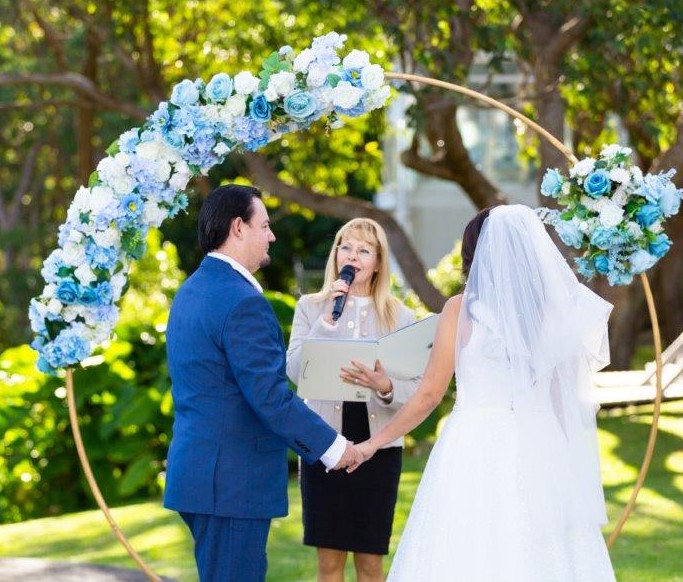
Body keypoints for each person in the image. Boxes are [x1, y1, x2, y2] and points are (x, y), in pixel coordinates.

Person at [350, 205, 617, 582]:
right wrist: (567, 466)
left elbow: (428, 395)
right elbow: (564, 400)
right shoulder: (552, 312)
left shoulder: (461, 310)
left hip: (474, 445)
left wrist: (372, 443)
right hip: (542, 445)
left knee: (467, 549)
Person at [164, 185, 360, 582]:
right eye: (265, 225)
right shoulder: (242, 301)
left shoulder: (192, 290)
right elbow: (269, 397)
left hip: (203, 476)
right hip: (233, 485)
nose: (271, 235)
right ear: (238, 227)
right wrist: (334, 448)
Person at [287, 218, 421, 582]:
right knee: (329, 563)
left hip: (378, 450)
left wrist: (384, 385)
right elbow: (295, 371)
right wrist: (324, 323)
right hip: (325, 445)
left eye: (364, 250)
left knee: (370, 563)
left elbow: (415, 391)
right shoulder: (311, 307)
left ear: (378, 262)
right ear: (336, 255)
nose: (353, 256)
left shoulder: (400, 315)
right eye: (346, 247)